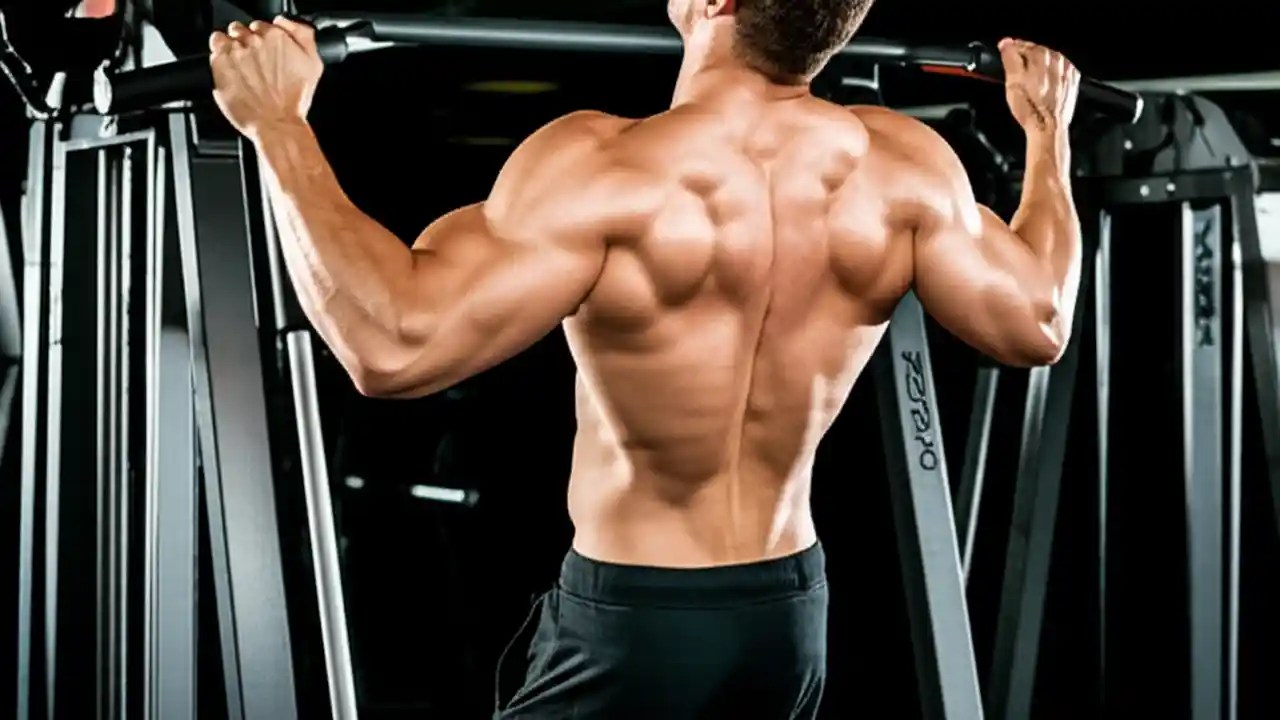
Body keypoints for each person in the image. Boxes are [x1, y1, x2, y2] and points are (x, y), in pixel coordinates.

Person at [208, 1, 1081, 717]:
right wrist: (1049, 137)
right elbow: (1039, 318)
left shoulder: (606, 168)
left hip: (638, 623)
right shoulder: (905, 170)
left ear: (717, 5)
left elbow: (393, 345)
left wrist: (277, 125)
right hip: (786, 618)